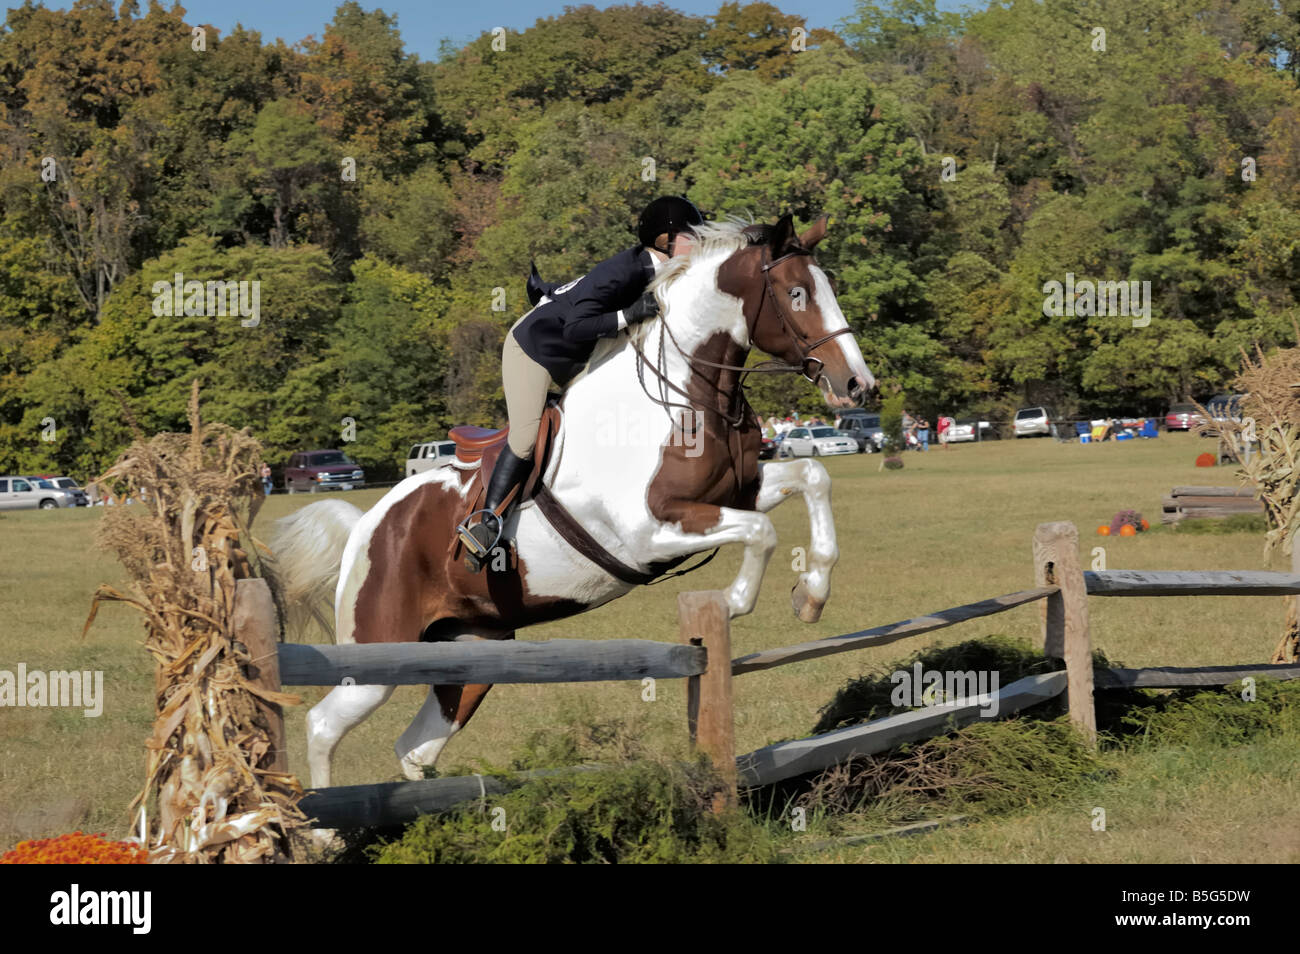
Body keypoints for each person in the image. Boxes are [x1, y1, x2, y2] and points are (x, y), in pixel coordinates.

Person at [457, 195, 706, 571]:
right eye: (691, 235)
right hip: (534, 351)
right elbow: (576, 326)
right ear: (663, 240)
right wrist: (630, 313)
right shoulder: (625, 271)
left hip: (576, 351)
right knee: (525, 440)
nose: (698, 242)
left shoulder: (659, 267)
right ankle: (487, 523)